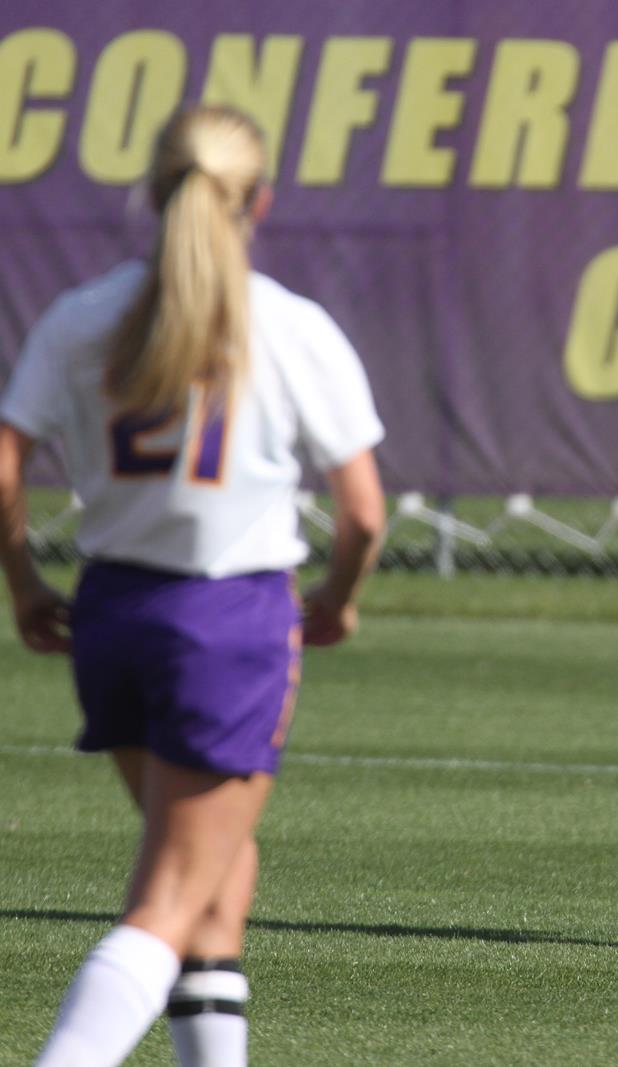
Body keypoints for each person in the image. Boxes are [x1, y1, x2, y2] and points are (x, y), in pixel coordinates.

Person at [0, 104, 386, 1066]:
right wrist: (336, 601)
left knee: (216, 876)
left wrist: (22, 579)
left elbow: (6, 462)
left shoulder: (82, 314)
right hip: (227, 617)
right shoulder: (288, 325)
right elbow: (367, 513)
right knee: (169, 897)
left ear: (153, 190)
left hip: (114, 611)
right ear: (259, 198)